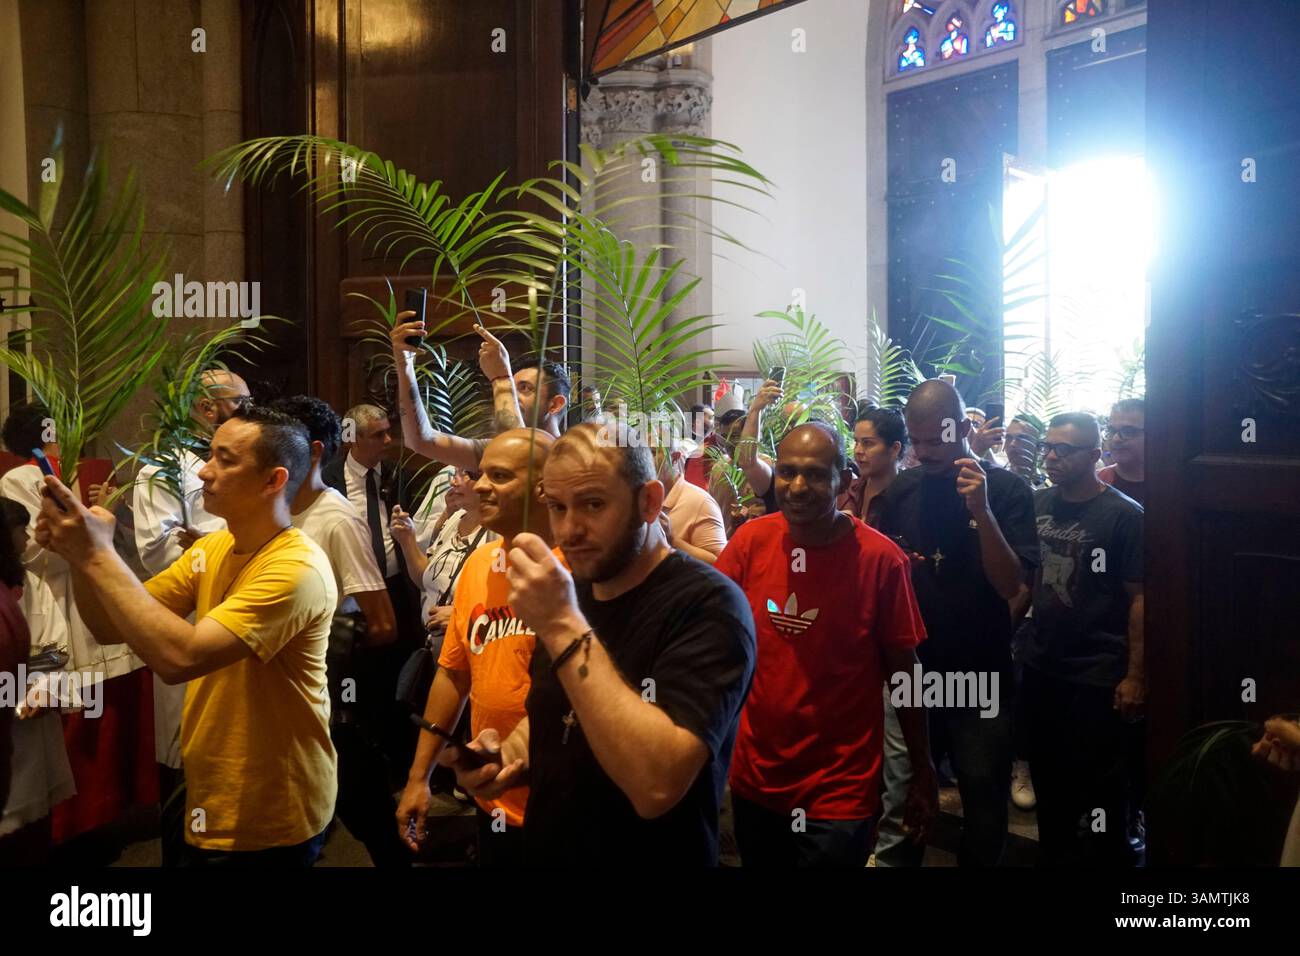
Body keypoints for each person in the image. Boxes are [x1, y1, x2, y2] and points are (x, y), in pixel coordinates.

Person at [35, 406, 339, 865]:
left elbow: (181, 658)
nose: (204, 470)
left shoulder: (295, 568)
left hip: (272, 800)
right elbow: (108, 626)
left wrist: (98, 554)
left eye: (225, 459)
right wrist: (79, 555)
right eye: (209, 454)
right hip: (206, 782)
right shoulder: (215, 546)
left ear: (273, 480)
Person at [444, 422, 756, 864]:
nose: (569, 530)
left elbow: (656, 786)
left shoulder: (710, 606)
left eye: (592, 504)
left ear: (649, 501)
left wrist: (563, 625)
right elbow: (559, 713)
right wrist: (506, 756)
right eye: (557, 506)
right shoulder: (577, 590)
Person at [715, 421, 935, 866]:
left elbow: (904, 669)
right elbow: (712, 633)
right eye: (787, 471)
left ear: (844, 480)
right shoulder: (750, 542)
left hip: (839, 786)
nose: (797, 487)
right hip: (757, 776)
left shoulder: (880, 561)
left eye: (815, 474)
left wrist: (921, 768)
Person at [877, 380, 1039, 867]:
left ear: (964, 428)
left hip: (979, 673)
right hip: (915, 673)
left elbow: (1011, 584)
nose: (923, 452)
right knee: (904, 799)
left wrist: (981, 511)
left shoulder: (1006, 490)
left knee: (984, 805)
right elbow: (886, 575)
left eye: (935, 440)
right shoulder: (903, 488)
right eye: (916, 440)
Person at [396, 429, 555, 865]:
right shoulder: (480, 565)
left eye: (499, 476)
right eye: (481, 473)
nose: (480, 485)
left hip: (566, 802)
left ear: (545, 489)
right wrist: (419, 776)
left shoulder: (574, 570)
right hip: (493, 797)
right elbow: (454, 673)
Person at [0, 402, 156, 845]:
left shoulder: (67, 469)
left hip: (92, 589)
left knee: (111, 714)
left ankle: (110, 816)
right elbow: (30, 552)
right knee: (82, 721)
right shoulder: (21, 477)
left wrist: (102, 515)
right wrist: (85, 533)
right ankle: (74, 827)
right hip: (61, 599)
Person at [271, 395, 407, 867]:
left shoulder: (336, 519)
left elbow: (384, 624)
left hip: (332, 690)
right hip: (292, 690)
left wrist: (330, 660)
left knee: (360, 799)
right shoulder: (281, 508)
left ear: (308, 450)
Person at [133, 368, 246, 862]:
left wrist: (214, 542)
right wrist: (216, 548)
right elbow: (155, 549)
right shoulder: (162, 467)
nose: (250, 409)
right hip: (187, 622)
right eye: (241, 402)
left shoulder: (245, 462)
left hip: (240, 622)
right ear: (207, 409)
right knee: (186, 761)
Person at [1022, 412, 1144, 866]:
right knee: (1049, 786)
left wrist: (1136, 676)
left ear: (1095, 455)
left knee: (1103, 798)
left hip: (1097, 675)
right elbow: (1027, 579)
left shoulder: (1124, 517)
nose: (1051, 456)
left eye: (1063, 449)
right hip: (1041, 667)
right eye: (1047, 448)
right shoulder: (1037, 504)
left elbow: (1140, 601)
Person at [389, 317, 569, 473]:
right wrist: (404, 363)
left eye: (525, 388)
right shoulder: (495, 449)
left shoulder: (571, 456)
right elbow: (421, 440)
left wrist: (501, 379)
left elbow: (518, 456)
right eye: (512, 389)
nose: (512, 397)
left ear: (555, 404)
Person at [0, 497, 75, 865]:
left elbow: (54, 643)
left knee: (29, 836)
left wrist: (42, 688)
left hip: (30, 719)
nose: (27, 538)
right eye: (19, 530)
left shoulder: (29, 583)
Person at [392, 466, 498, 646]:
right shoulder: (455, 519)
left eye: (465, 474)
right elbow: (426, 579)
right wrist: (407, 540)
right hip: (435, 645)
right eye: (455, 473)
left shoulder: (500, 532)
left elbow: (507, 603)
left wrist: (463, 614)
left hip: (473, 648)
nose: (453, 481)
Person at [657, 446, 727, 563]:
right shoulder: (634, 496)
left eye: (653, 451)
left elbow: (719, 564)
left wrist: (672, 540)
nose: (646, 457)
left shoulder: (700, 502)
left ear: (675, 457)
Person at [838, 406, 907, 525]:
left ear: (895, 448)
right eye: (856, 442)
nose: (858, 450)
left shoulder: (907, 498)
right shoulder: (848, 490)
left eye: (868, 443)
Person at [1099, 398, 1145, 505]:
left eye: (1128, 431)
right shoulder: (1095, 482)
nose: (1115, 439)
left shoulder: (1174, 483)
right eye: (1111, 431)